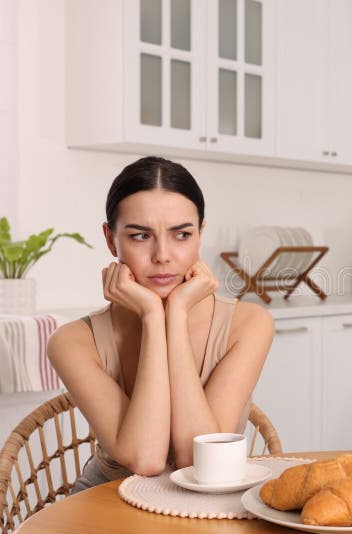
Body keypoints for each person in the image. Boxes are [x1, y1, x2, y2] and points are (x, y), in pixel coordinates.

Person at [48, 156, 274, 493]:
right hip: (103, 503)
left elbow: (196, 462)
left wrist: (177, 312)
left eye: (182, 234)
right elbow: (146, 459)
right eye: (140, 236)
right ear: (111, 240)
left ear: (201, 234)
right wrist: (154, 316)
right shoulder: (72, 341)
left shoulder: (249, 323)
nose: (162, 255)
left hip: (210, 502)